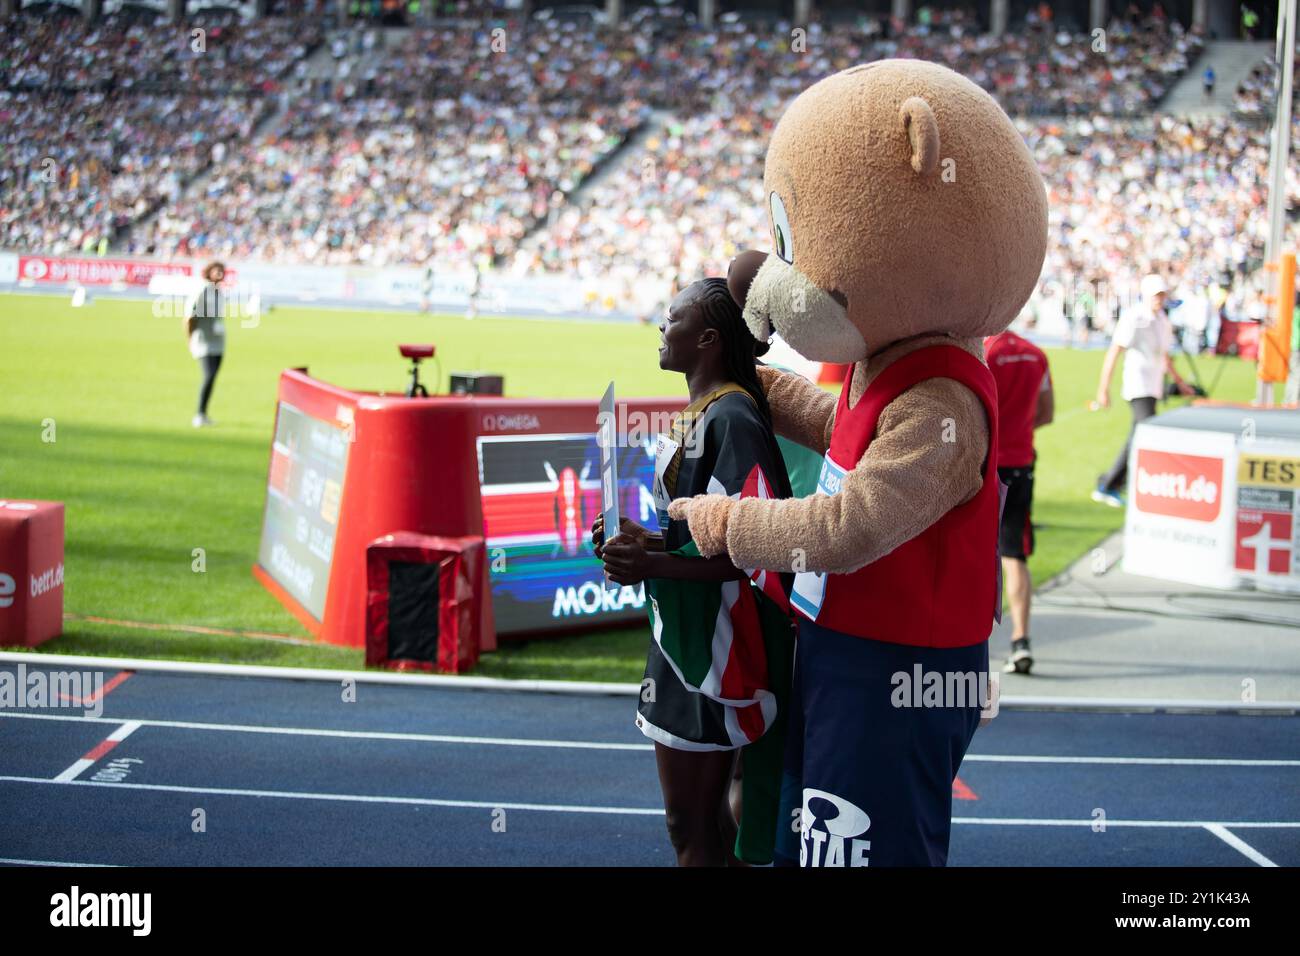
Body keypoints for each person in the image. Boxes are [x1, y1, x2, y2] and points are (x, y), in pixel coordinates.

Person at [592, 278, 794, 867]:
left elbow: (752, 546)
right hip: (685, 637)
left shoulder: (732, 417)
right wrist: (639, 537)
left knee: (693, 825)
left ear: (707, 338)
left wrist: (650, 561)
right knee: (697, 823)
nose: (662, 327)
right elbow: (699, 532)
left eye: (672, 318)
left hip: (715, 647)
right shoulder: (701, 413)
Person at [985, 322, 1054, 675]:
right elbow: (1047, 413)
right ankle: (1021, 639)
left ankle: (970, 642)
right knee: (1015, 555)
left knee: (976, 554)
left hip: (988, 467)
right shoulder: (1036, 354)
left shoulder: (986, 353)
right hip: (1021, 465)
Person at [1093, 274, 1195, 506]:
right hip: (1138, 384)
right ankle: (1110, 483)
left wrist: (1181, 384)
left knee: (1140, 432)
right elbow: (1114, 352)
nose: (1160, 299)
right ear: (1147, 295)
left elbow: (1165, 357)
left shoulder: (1162, 321)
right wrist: (1103, 388)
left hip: (1154, 384)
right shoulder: (1134, 318)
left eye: (1162, 294)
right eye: (1156, 295)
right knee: (1143, 430)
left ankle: (1113, 482)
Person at [185, 261, 227, 428]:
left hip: (218, 342)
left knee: (212, 377)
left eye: (222, 271)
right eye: (217, 270)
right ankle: (199, 414)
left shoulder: (218, 292)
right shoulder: (202, 290)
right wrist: (190, 339)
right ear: (209, 272)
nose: (220, 274)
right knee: (208, 376)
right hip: (204, 342)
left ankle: (204, 413)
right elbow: (189, 317)